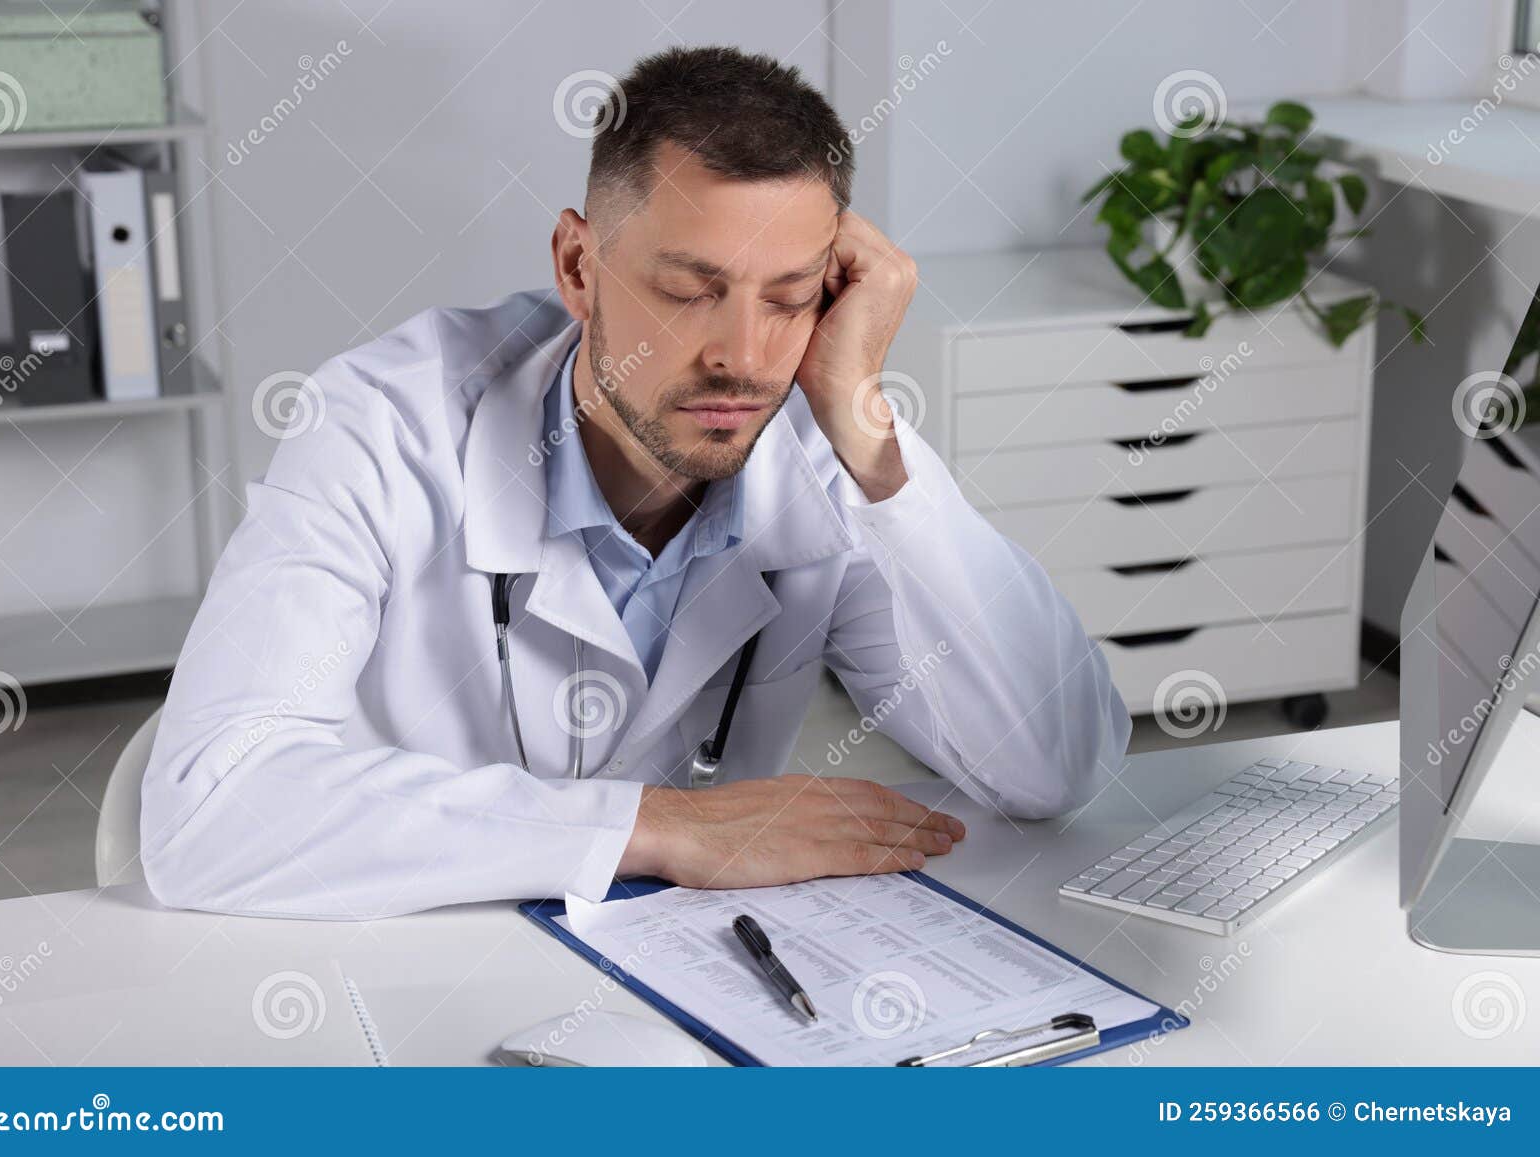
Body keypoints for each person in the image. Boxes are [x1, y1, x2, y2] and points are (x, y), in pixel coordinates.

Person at [139, 45, 1130, 919]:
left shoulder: (824, 448)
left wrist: (866, 424)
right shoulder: (380, 421)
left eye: (789, 298)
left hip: (692, 986)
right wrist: (657, 827)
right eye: (690, 292)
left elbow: (1052, 764)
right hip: (407, 955)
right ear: (578, 263)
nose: (742, 357)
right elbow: (209, 810)